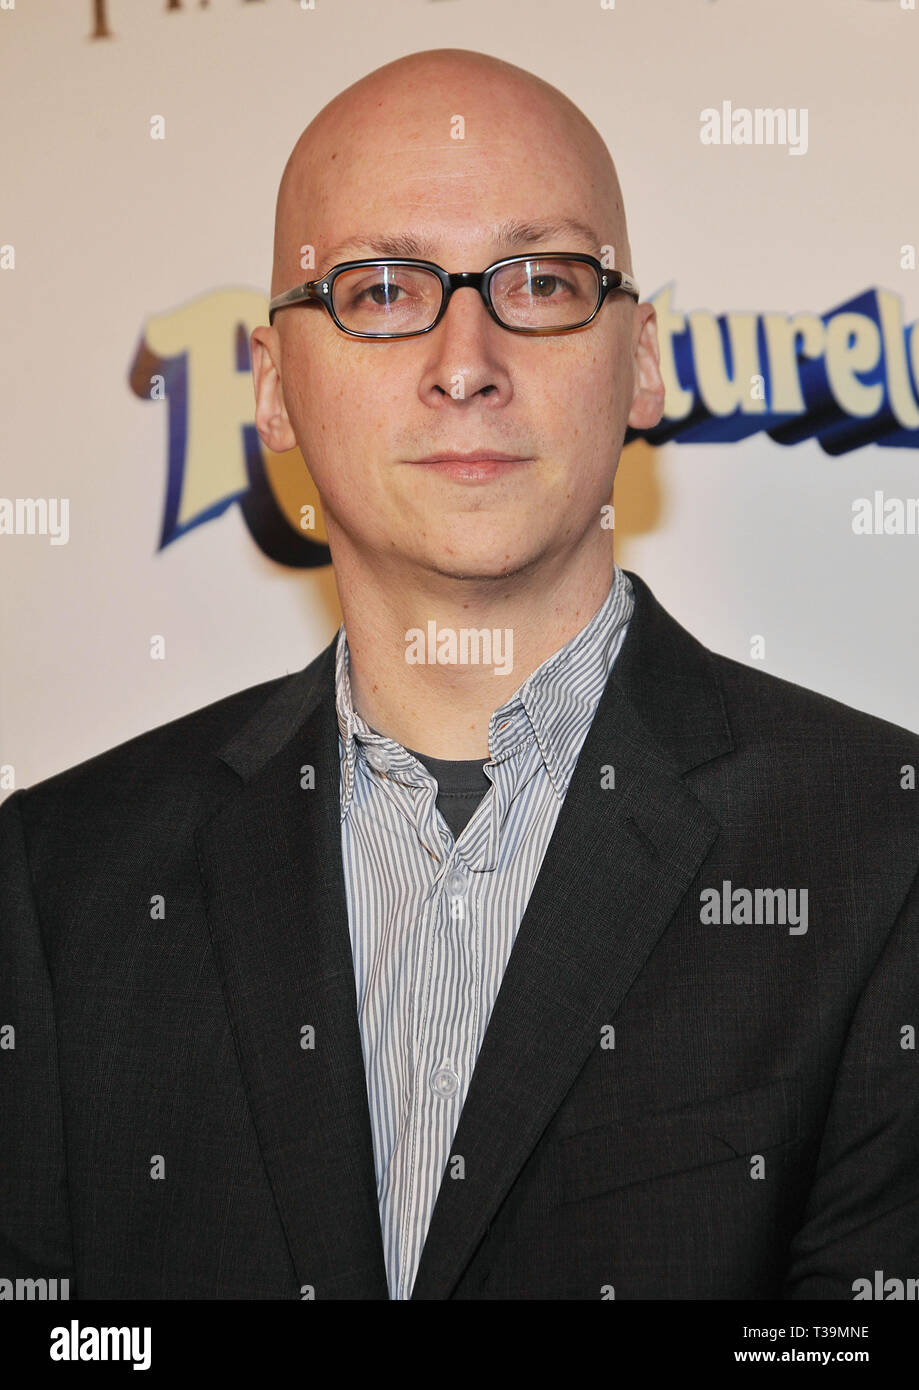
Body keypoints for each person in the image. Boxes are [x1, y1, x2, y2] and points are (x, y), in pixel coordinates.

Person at [2, 47, 918, 1302]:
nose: (464, 359)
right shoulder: (62, 879)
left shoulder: (883, 845)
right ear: (271, 387)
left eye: (540, 281)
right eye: (380, 291)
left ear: (642, 361)